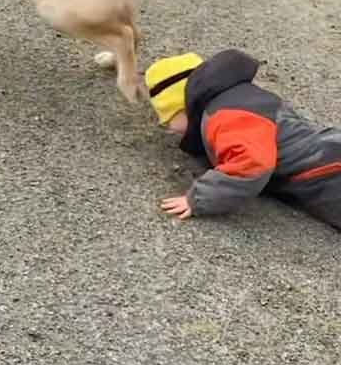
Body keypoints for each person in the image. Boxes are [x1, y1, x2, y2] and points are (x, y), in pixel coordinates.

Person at [146, 48, 340, 230]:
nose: (169, 128)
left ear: (181, 105)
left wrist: (199, 198)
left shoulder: (226, 116)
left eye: (167, 119)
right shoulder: (242, 97)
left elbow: (252, 163)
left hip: (326, 172)